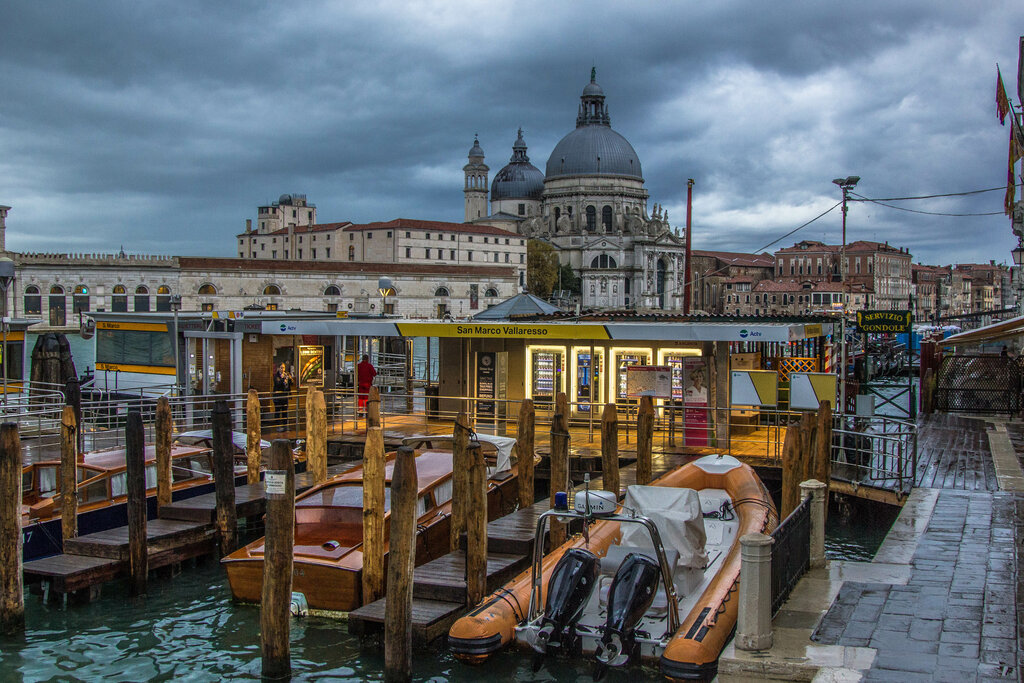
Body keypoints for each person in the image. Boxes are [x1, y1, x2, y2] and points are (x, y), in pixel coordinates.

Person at [272, 363, 293, 431]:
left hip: (285, 396)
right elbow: (277, 383)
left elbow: (292, 383)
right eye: (281, 368)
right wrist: (283, 379)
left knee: (285, 411)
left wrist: (289, 378)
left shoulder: (287, 374)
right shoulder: (276, 376)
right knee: (278, 411)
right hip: (278, 397)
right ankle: (278, 426)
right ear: (278, 368)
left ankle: (285, 425)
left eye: (283, 368)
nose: (282, 369)